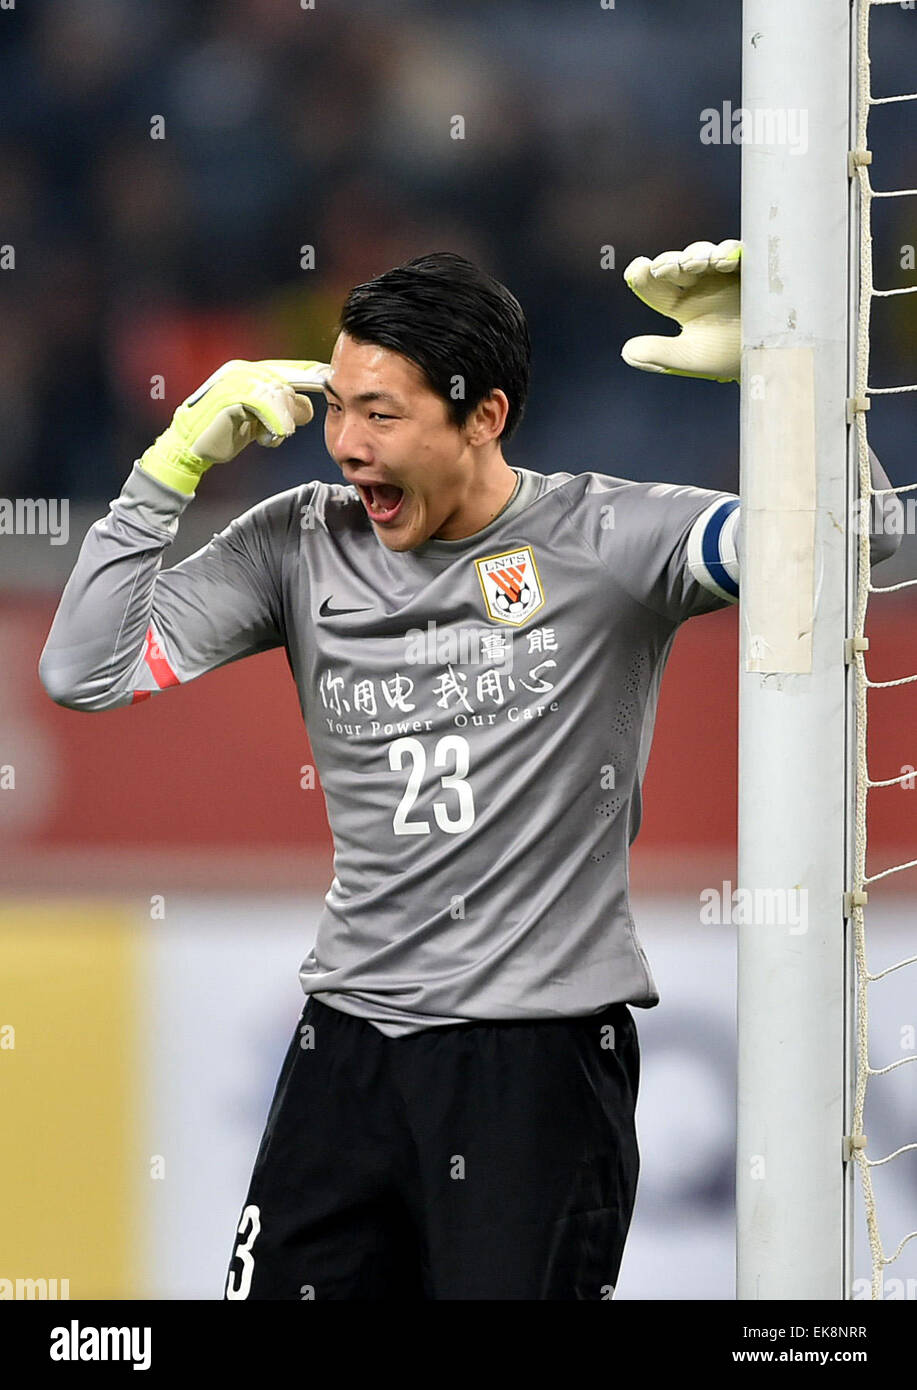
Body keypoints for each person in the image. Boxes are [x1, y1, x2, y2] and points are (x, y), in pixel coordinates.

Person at [38, 244, 901, 1300]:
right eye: (336, 407)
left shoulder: (609, 539)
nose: (346, 446)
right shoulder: (298, 543)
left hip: (532, 1071)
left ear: (481, 416)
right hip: (346, 1051)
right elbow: (83, 669)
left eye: (382, 415)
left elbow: (865, 543)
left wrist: (785, 378)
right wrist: (170, 462)